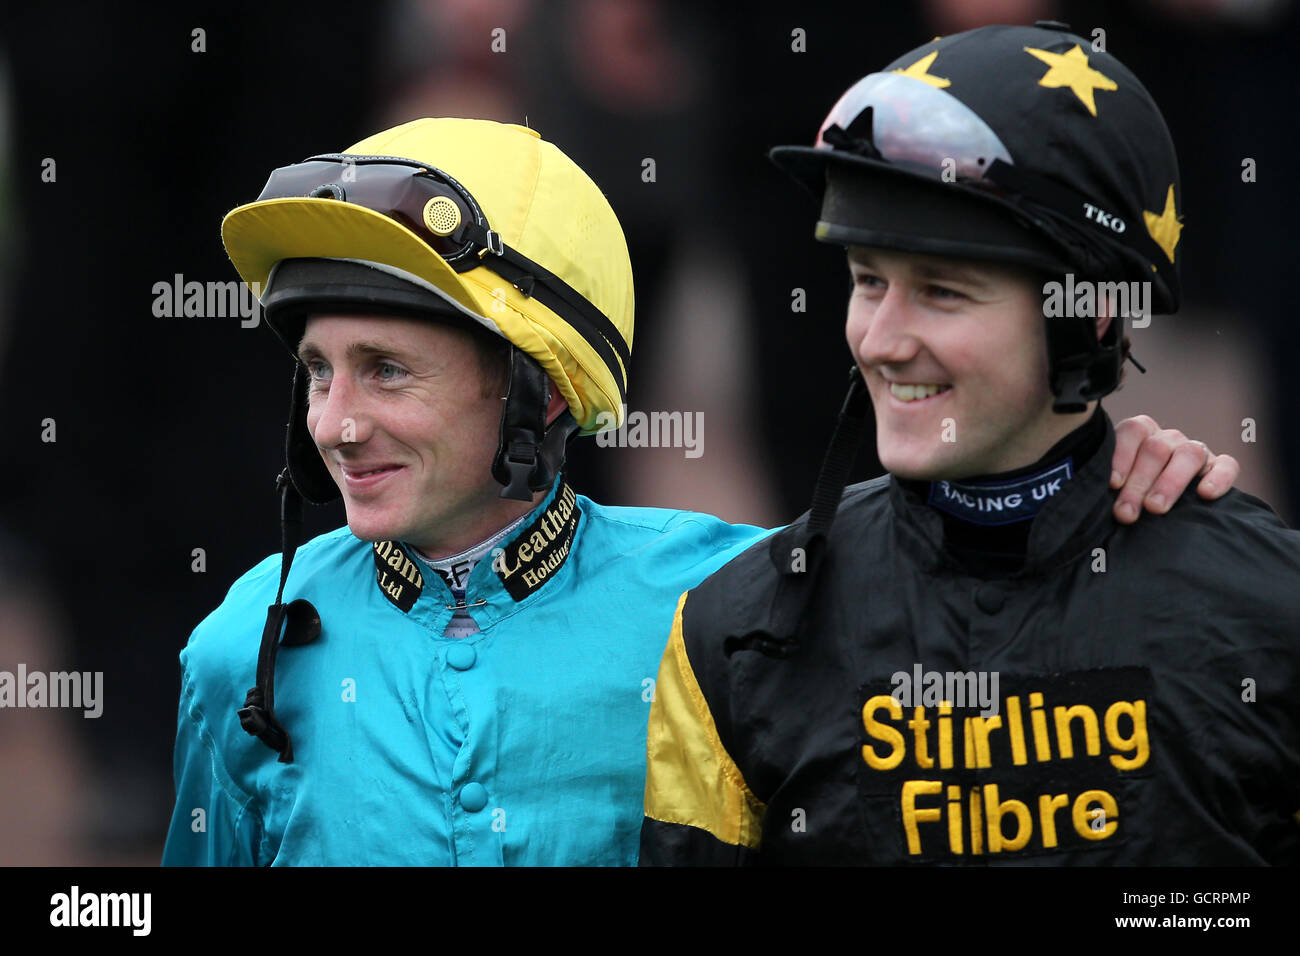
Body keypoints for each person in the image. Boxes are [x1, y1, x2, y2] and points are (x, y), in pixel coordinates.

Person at [161, 115, 1236, 866]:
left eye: (386, 369)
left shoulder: (740, 599)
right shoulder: (242, 646)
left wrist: (1105, 473)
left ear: (542, 391)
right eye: (316, 371)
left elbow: (988, 592)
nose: (337, 422)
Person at [640, 22, 1299, 866]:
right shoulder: (728, 633)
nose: (881, 339)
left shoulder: (1270, 613)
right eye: (868, 280)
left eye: (943, 293)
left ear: (1089, 315)